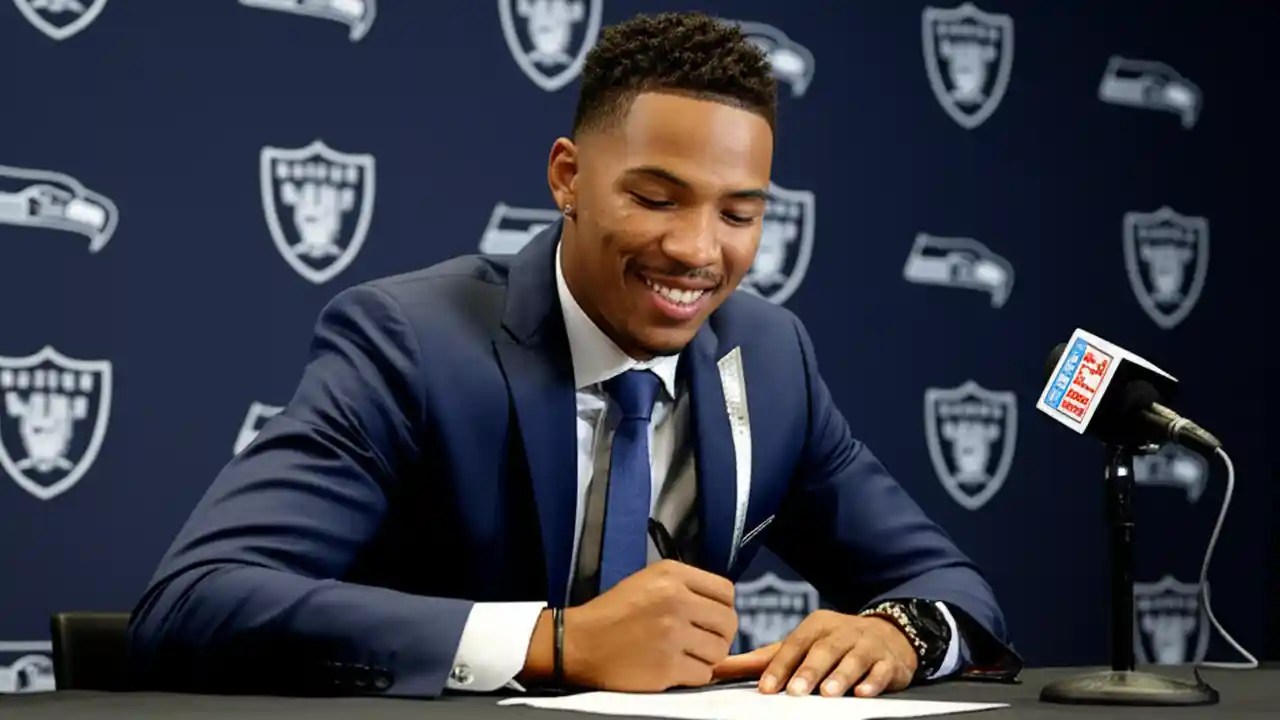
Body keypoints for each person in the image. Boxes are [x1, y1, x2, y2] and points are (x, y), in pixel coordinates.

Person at [128, 11, 1021, 700]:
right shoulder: (410, 343)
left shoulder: (770, 355)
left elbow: (947, 583)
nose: (698, 250)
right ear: (567, 178)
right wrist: (557, 640)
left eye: (739, 214)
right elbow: (195, 602)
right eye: (656, 197)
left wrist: (902, 632)